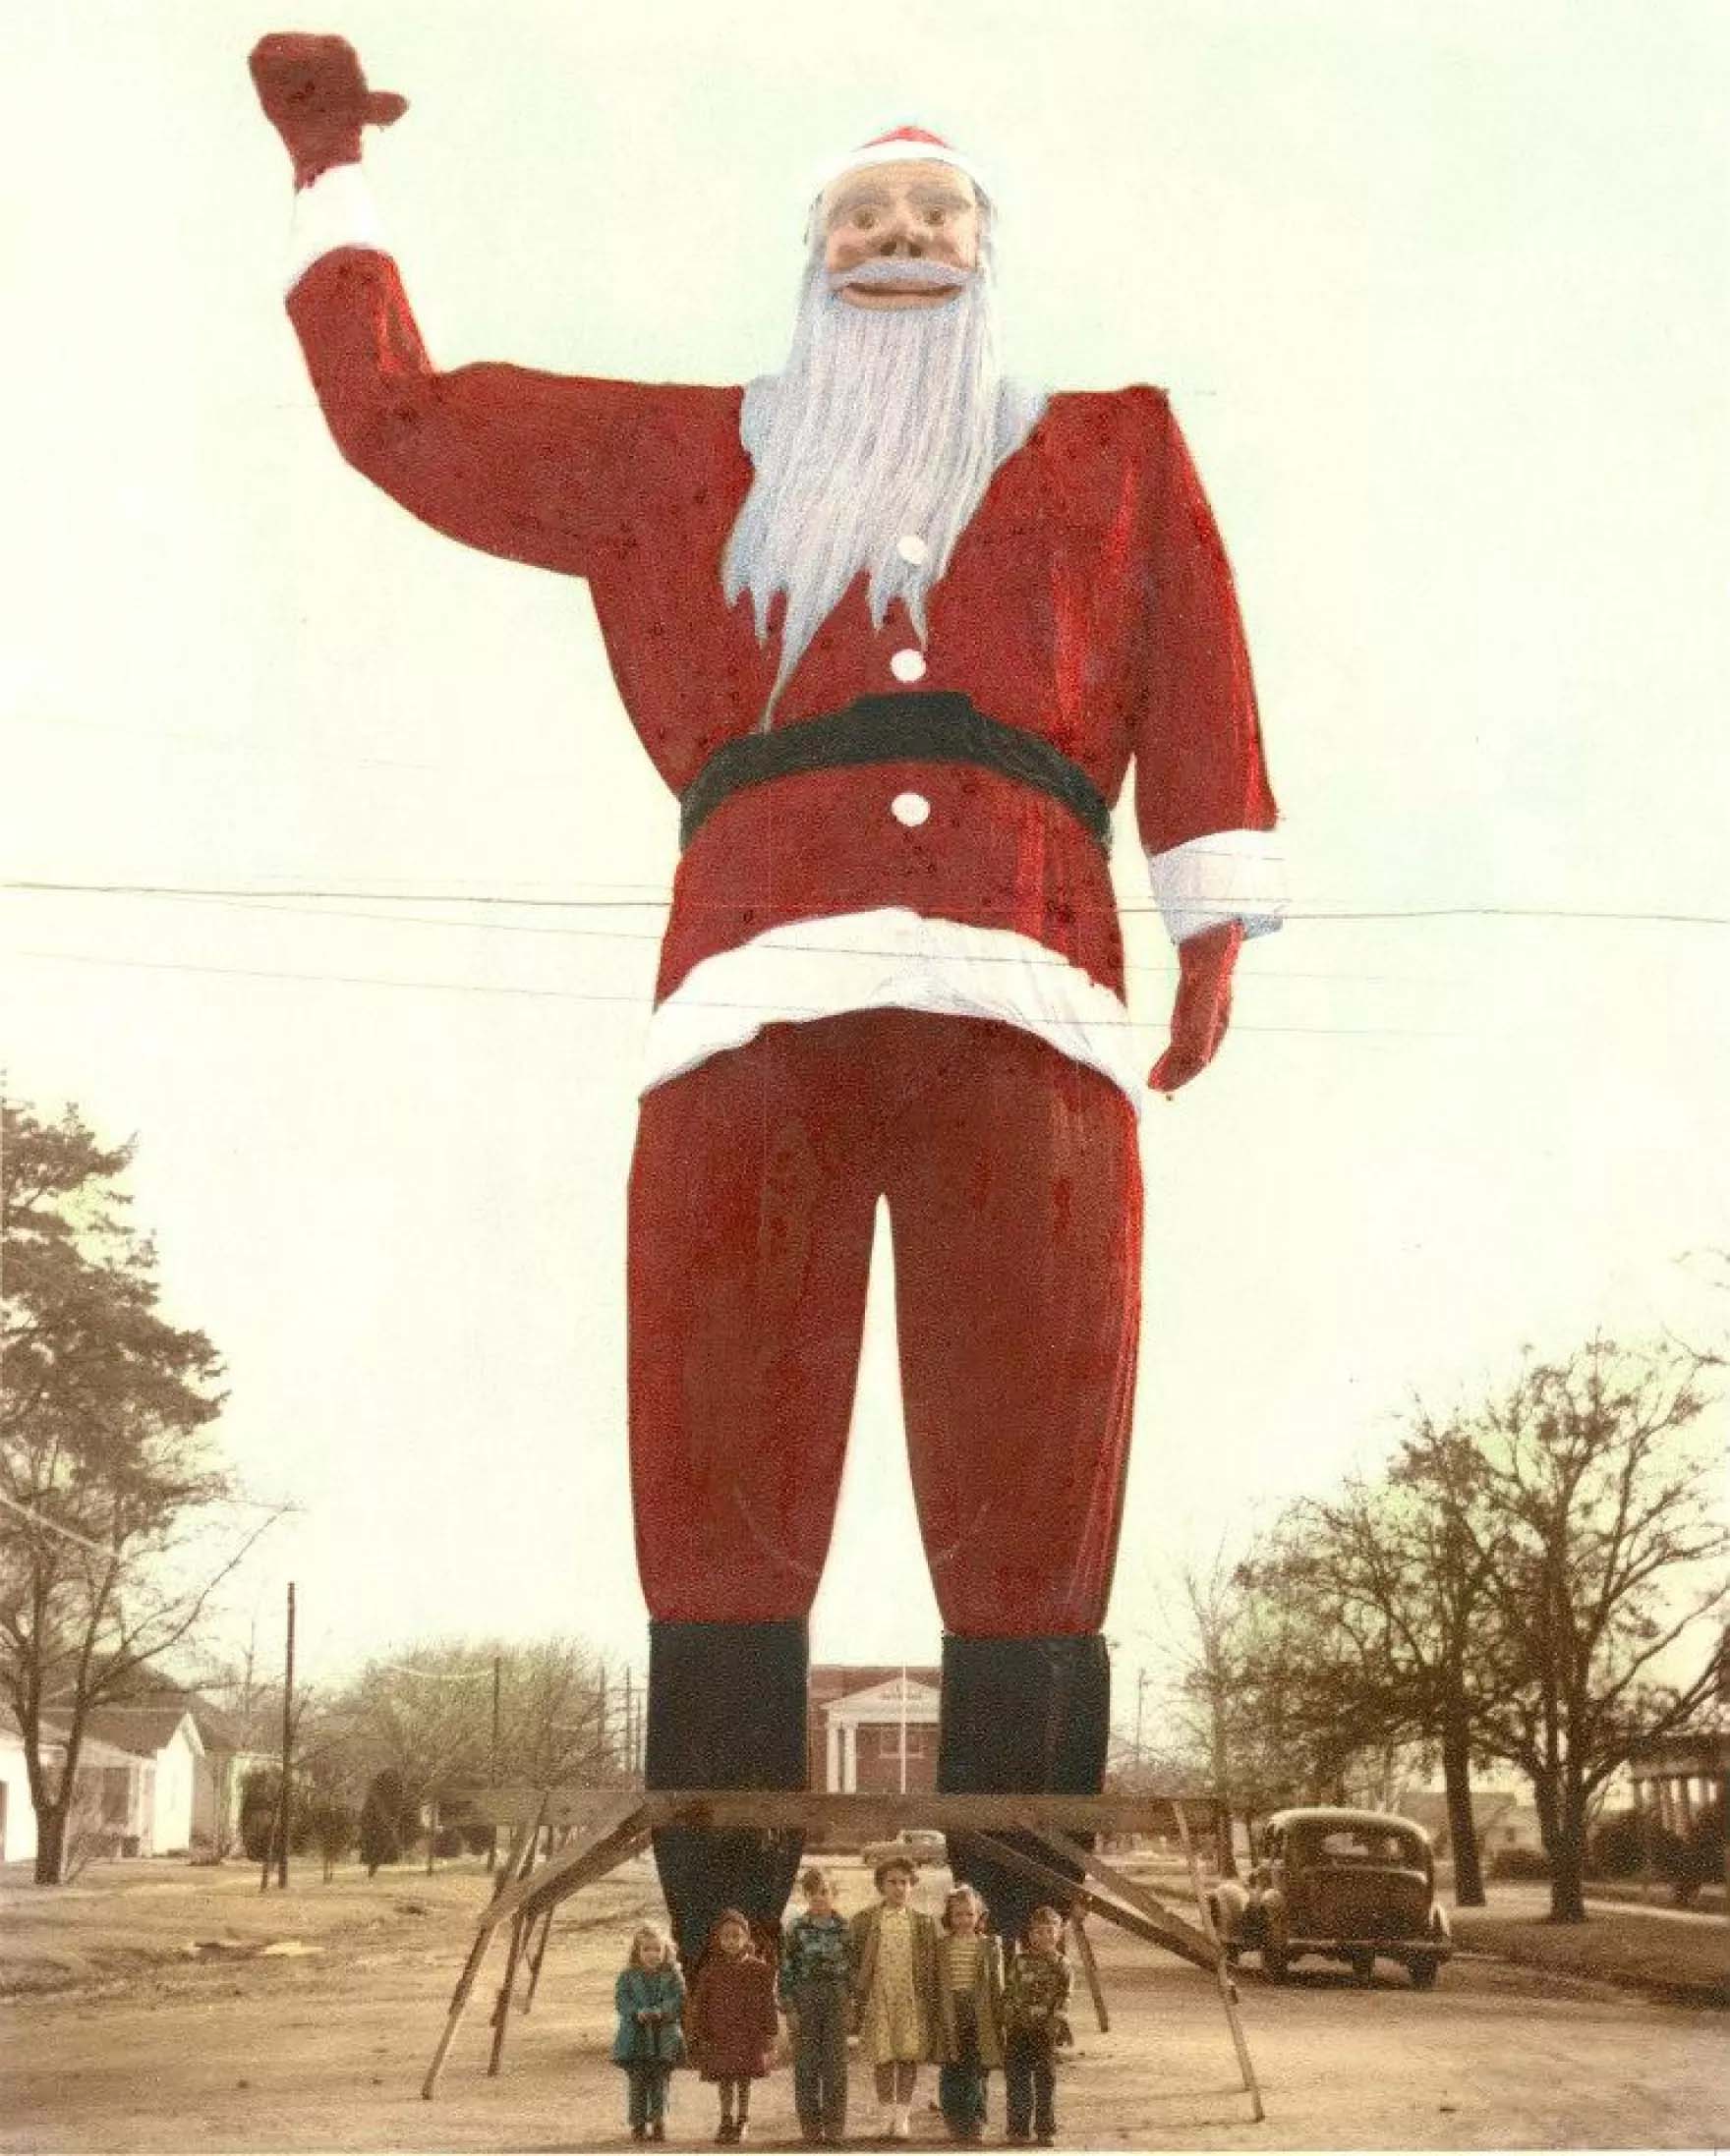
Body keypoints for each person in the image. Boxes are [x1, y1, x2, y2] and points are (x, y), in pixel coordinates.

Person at [248, 33, 1285, 1957]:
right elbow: (408, 424)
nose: (902, 236)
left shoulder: (1109, 446)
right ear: (813, 259)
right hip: (750, 1004)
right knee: (719, 1455)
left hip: (1030, 1002)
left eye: (936, 213)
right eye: (862, 216)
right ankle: (723, 1922)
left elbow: (1196, 662)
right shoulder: (688, 454)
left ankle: (1018, 1912)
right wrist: (330, 169)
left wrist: (1210, 909)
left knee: (1035, 1457)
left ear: (989, 251)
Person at [848, 1856, 941, 2141]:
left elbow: (931, 1966)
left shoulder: (923, 1923)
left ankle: (902, 2117)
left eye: (904, 1882)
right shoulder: (865, 1921)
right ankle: (885, 2116)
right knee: (884, 2058)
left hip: (911, 1998)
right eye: (892, 1882)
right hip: (880, 1997)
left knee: (908, 2057)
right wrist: (858, 1992)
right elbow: (853, 1959)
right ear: (881, 1886)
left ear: (911, 1886)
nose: (899, 1888)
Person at [686, 1908, 780, 2143]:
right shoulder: (710, 1971)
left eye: (736, 1936)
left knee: (744, 2078)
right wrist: (700, 2032)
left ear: (746, 1938)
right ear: (718, 1939)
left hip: (748, 2034)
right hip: (722, 2034)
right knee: (725, 2078)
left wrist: (770, 2032)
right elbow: (701, 2004)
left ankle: (743, 2119)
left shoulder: (758, 1970)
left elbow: (767, 2002)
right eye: (726, 1936)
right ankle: (725, 2119)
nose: (731, 1941)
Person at [778, 1866, 852, 2145]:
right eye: (812, 1892)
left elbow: (850, 1970)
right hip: (805, 1997)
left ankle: (834, 2127)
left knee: (835, 2065)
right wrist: (790, 2007)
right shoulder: (796, 1928)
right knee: (807, 2065)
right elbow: (786, 1970)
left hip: (835, 1996)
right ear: (805, 1895)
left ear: (833, 1894)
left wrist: (849, 2004)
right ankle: (810, 2126)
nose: (819, 1897)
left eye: (824, 1891)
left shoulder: (844, 1927)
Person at [933, 1885, 1004, 2142]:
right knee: (952, 2069)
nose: (964, 1920)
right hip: (951, 2015)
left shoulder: (989, 1946)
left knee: (977, 2071)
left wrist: (999, 2017)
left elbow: (997, 1985)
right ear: (949, 1918)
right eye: (958, 1915)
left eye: (969, 1915)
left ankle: (976, 2122)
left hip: (979, 2014)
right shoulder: (942, 1946)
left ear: (979, 1916)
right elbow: (934, 1985)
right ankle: (955, 2122)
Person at [1001, 1906, 1072, 2146]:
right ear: (1030, 1935)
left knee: (1045, 2081)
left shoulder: (1062, 1964)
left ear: (1059, 1933)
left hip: (1044, 2031)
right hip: (1019, 2029)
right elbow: (1009, 1990)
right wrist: (1007, 2016)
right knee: (1017, 2079)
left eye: (1050, 1931)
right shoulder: (1019, 1961)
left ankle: (1045, 2129)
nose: (1045, 1937)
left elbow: (1065, 1996)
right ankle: (1018, 2129)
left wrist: (1057, 2019)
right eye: (1038, 1932)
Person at [612, 1921, 687, 2143]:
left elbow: (679, 1998)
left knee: (660, 2081)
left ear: (666, 1951)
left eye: (657, 1949)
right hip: (636, 2037)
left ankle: (658, 2121)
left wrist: (662, 2011)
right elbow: (621, 2000)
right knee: (637, 2083)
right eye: (646, 1949)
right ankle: (637, 2124)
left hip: (663, 2036)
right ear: (637, 1951)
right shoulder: (628, 1976)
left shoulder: (672, 1975)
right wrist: (636, 2012)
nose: (652, 1954)